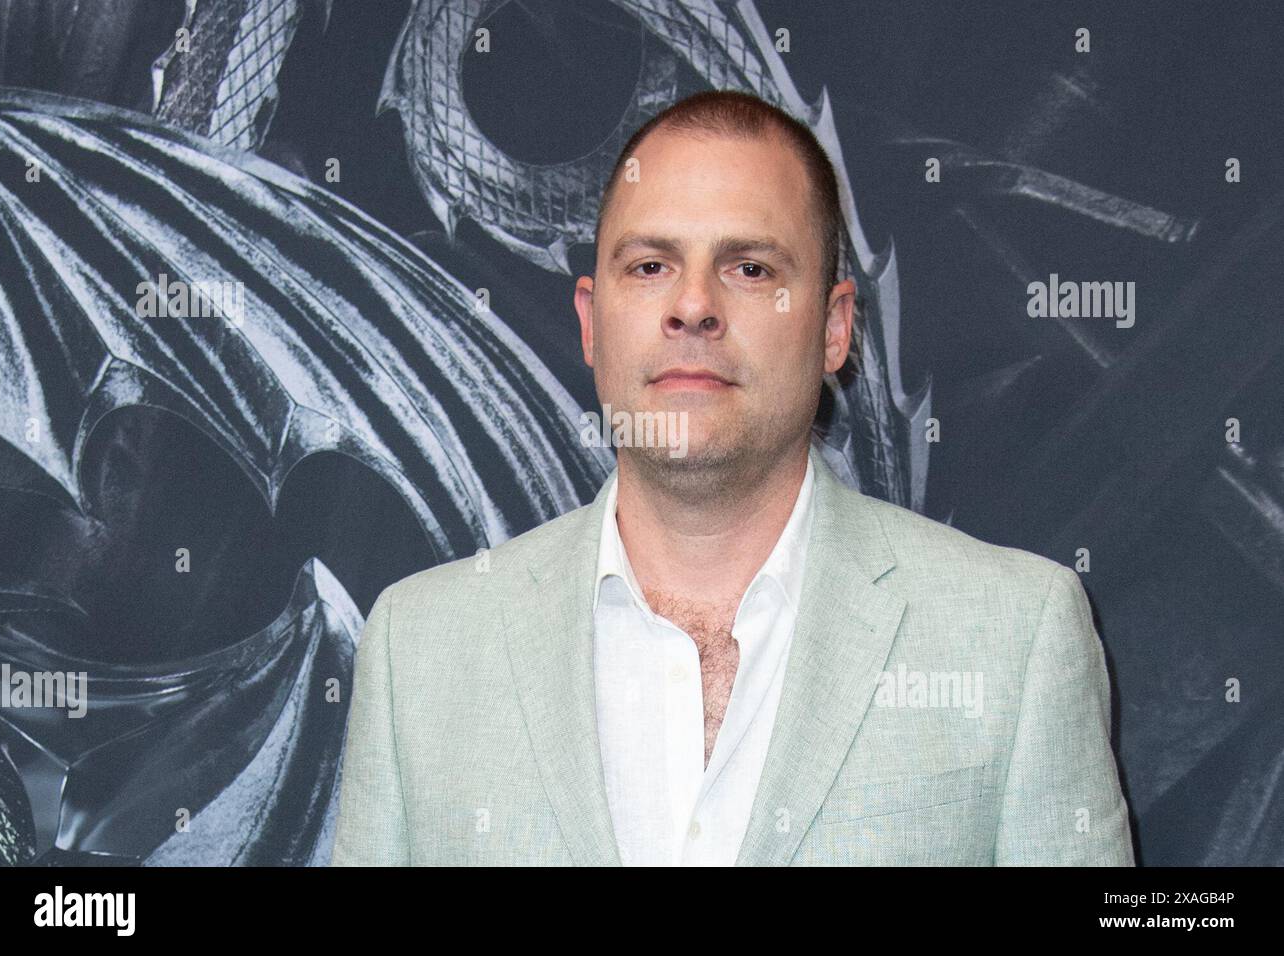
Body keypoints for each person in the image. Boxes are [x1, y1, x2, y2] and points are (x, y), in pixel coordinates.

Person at [330, 89, 1135, 866]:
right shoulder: (419, 651)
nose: (692, 306)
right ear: (589, 322)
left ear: (833, 328)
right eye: (649, 266)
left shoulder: (1018, 638)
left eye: (750, 269)